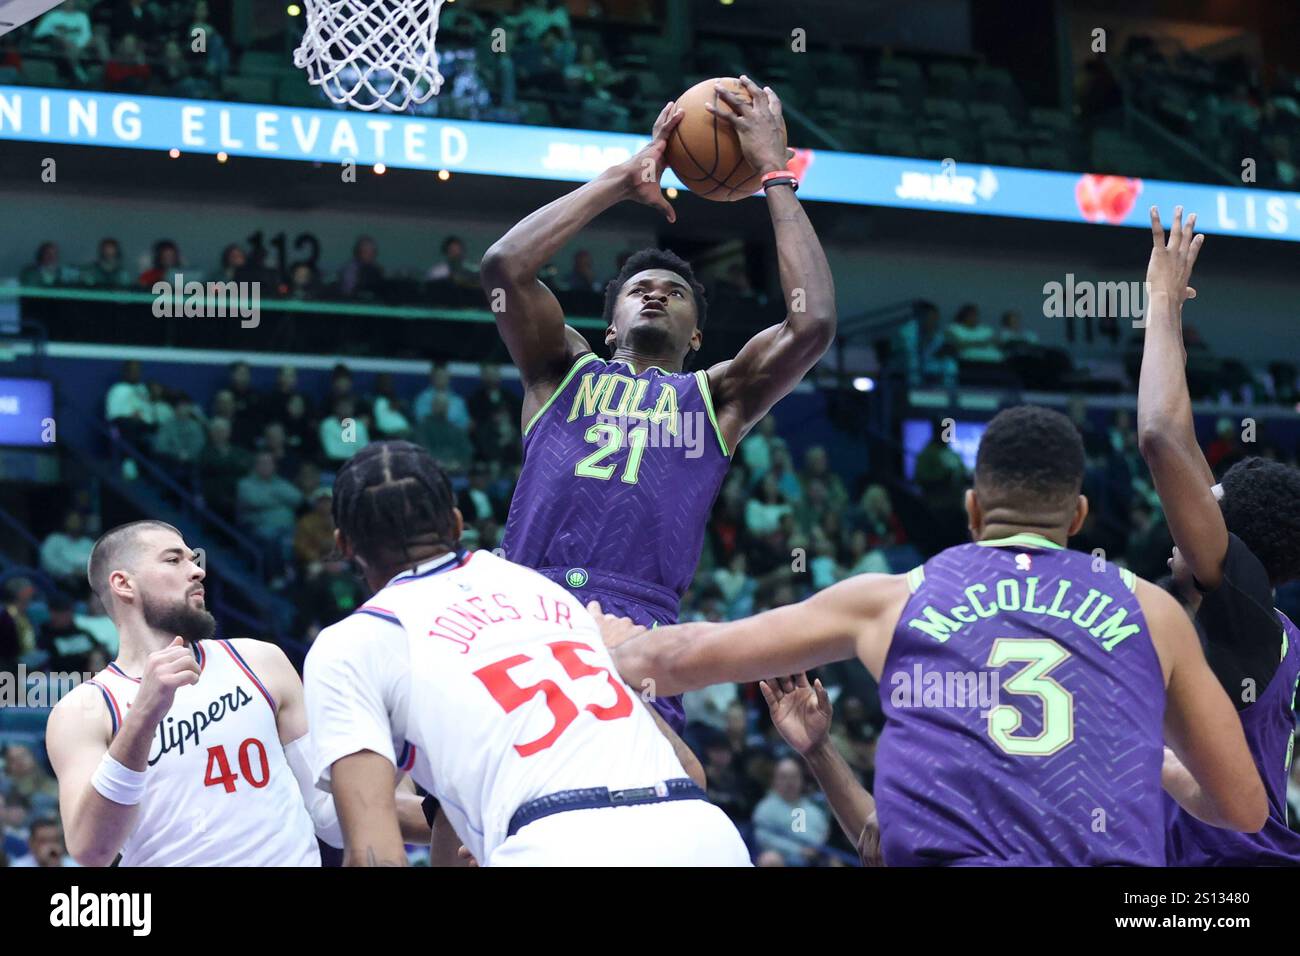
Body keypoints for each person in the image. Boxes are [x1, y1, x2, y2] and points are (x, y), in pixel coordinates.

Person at [600, 405, 1269, 865]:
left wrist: (596, 634)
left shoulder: (888, 600)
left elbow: (681, 656)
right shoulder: (1151, 611)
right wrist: (1159, 765)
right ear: (1080, 516)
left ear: (974, 510)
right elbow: (1242, 808)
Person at [481, 83, 835, 734]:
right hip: (527, 605)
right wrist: (622, 178)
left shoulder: (717, 397)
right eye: (639, 289)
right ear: (609, 325)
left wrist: (774, 174)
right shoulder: (558, 372)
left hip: (638, 627)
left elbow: (810, 325)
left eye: (675, 293)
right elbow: (506, 267)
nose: (654, 296)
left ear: (697, 337)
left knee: (632, 812)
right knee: (474, 820)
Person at [302, 440, 743, 866]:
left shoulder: (351, 644)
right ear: (456, 524)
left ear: (343, 546)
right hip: (701, 832)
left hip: (555, 842)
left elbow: (376, 855)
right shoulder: (546, 593)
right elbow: (690, 772)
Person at [43, 520, 429, 867]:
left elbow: (330, 817)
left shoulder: (261, 660)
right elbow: (92, 852)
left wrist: (393, 726)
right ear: (123, 583)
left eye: (194, 559)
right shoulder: (83, 710)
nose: (197, 570)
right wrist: (143, 717)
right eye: (173, 560)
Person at [1136, 205, 1300, 865]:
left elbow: (1159, 437)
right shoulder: (1259, 622)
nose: (1187, 511)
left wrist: (1162, 302)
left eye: (1210, 507)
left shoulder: (1244, 608)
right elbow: (1183, 454)